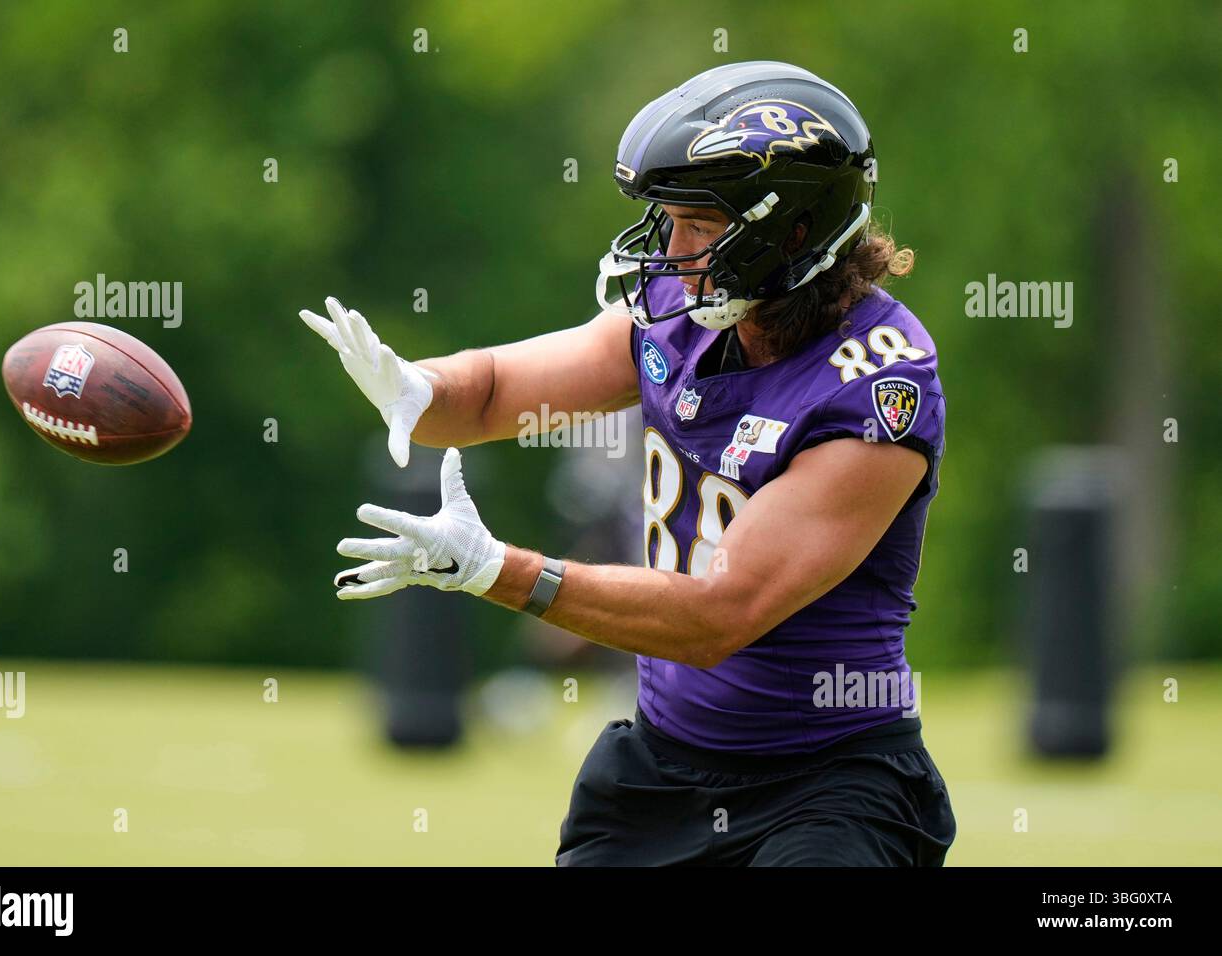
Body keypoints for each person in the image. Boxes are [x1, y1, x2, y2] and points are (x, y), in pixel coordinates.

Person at [299, 60, 955, 866]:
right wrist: (415, 388)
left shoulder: (875, 384)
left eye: (699, 226)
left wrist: (494, 569)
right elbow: (497, 389)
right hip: (663, 775)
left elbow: (721, 615)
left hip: (830, 786)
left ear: (792, 233)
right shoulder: (690, 314)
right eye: (668, 219)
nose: (673, 251)